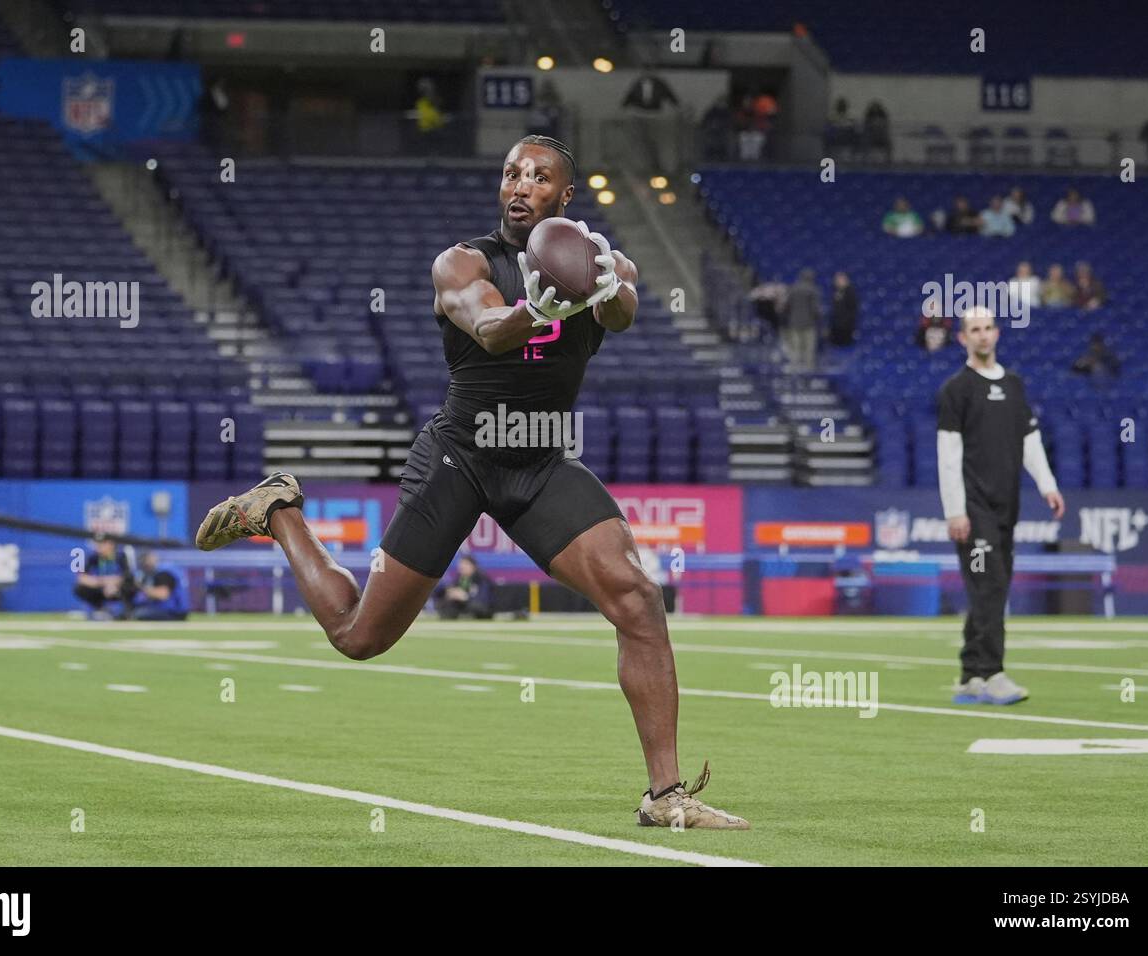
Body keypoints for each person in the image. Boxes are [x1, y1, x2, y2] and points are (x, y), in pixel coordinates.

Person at [195, 135, 748, 829]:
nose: (521, 185)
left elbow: (624, 310)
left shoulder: (599, 257)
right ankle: (280, 511)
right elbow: (489, 327)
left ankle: (666, 796)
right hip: (462, 456)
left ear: (565, 196)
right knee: (359, 636)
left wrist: (604, 288)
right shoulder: (462, 262)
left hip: (541, 459)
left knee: (639, 599)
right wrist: (539, 310)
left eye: (540, 176)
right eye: (513, 172)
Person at [936, 306, 1064, 706]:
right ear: (962, 338)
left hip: (1006, 506)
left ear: (998, 333)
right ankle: (993, 673)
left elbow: (1028, 440)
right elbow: (948, 454)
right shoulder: (956, 390)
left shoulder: (1014, 385)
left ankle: (970, 673)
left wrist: (1048, 485)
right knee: (989, 583)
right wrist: (955, 510)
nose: (983, 335)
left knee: (991, 586)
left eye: (988, 327)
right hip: (973, 511)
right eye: (974, 329)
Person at [73, 534, 134, 620]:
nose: (99, 547)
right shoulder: (93, 557)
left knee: (128, 586)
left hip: (117, 588)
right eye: (98, 544)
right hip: (101, 587)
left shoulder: (121, 556)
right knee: (80, 588)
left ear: (111, 544)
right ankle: (98, 609)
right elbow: (82, 577)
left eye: (102, 544)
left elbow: (126, 576)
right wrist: (102, 583)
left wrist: (113, 584)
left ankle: (126, 612)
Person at [121, 551, 189, 621]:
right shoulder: (170, 568)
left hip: (173, 612)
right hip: (178, 610)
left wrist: (140, 587)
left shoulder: (163, 573)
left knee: (138, 613)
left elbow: (163, 594)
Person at [783, 268, 821, 370]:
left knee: (795, 348)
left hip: (794, 323)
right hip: (809, 324)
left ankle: (795, 368)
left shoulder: (793, 288)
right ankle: (808, 369)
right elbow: (815, 309)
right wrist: (818, 319)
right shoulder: (813, 290)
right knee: (808, 348)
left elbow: (786, 306)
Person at [436, 554, 493, 620]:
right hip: (464, 607)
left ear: (473, 566)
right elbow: (450, 591)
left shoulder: (481, 579)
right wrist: (451, 593)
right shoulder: (460, 579)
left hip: (482, 609)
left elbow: (484, 600)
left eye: (465, 564)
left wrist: (466, 597)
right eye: (461, 565)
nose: (461, 567)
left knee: (477, 607)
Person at [829, 271, 858, 346]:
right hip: (836, 327)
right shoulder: (835, 291)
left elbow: (852, 310)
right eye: (836, 280)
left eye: (840, 280)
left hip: (846, 328)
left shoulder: (850, 292)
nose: (837, 282)